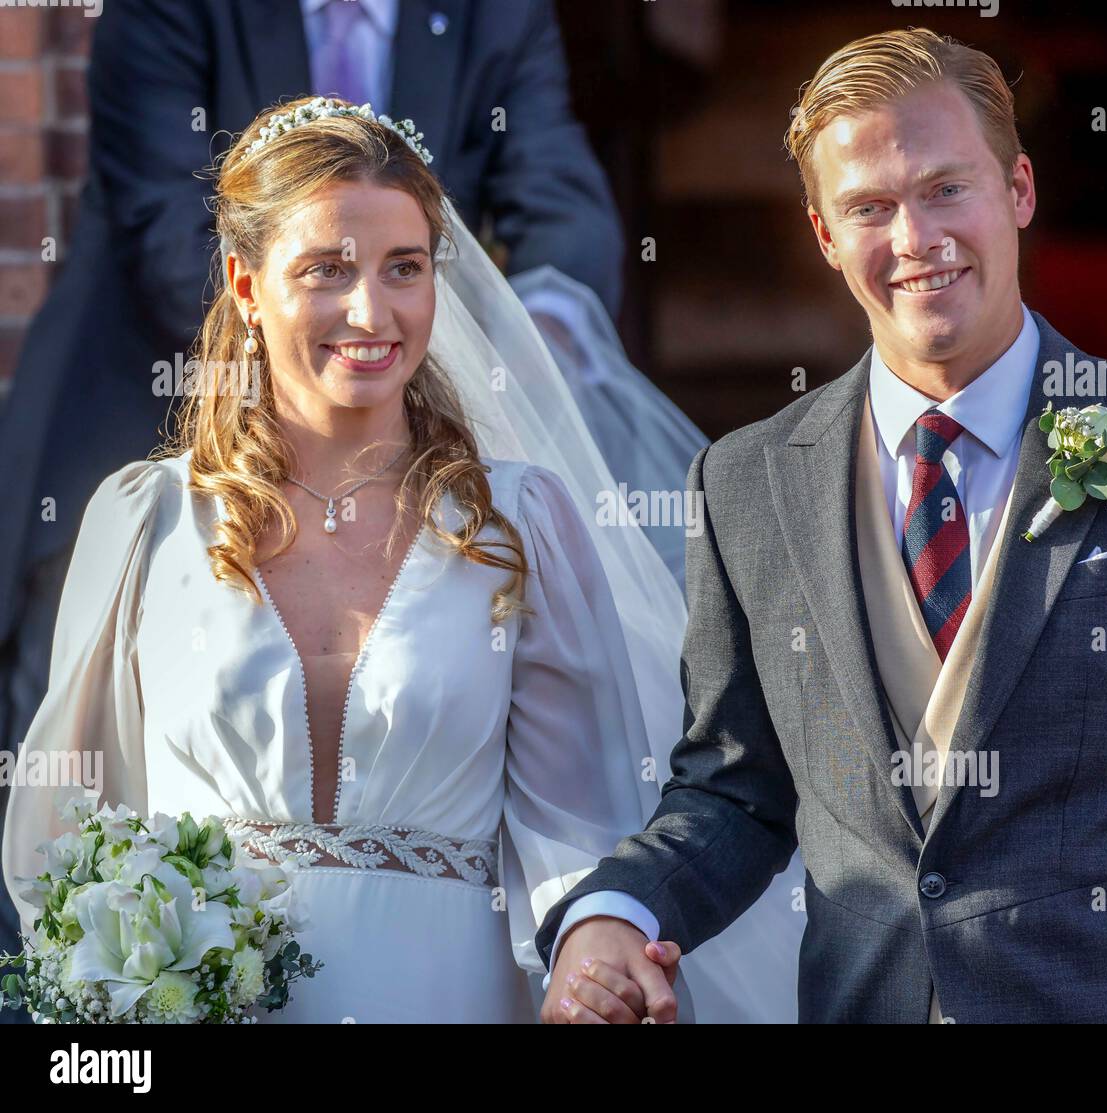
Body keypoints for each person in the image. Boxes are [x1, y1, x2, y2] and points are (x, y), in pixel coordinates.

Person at [536, 28, 1107, 1023]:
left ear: (1018, 191)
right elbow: (734, 792)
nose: (914, 238)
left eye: (947, 188)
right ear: (822, 234)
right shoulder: (744, 483)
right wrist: (616, 911)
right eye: (870, 207)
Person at [0, 97, 656, 1023]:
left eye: (404, 269)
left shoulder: (518, 523)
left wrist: (589, 953)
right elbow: (65, 845)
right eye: (325, 270)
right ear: (243, 284)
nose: (370, 309)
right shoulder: (146, 522)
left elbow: (580, 830)